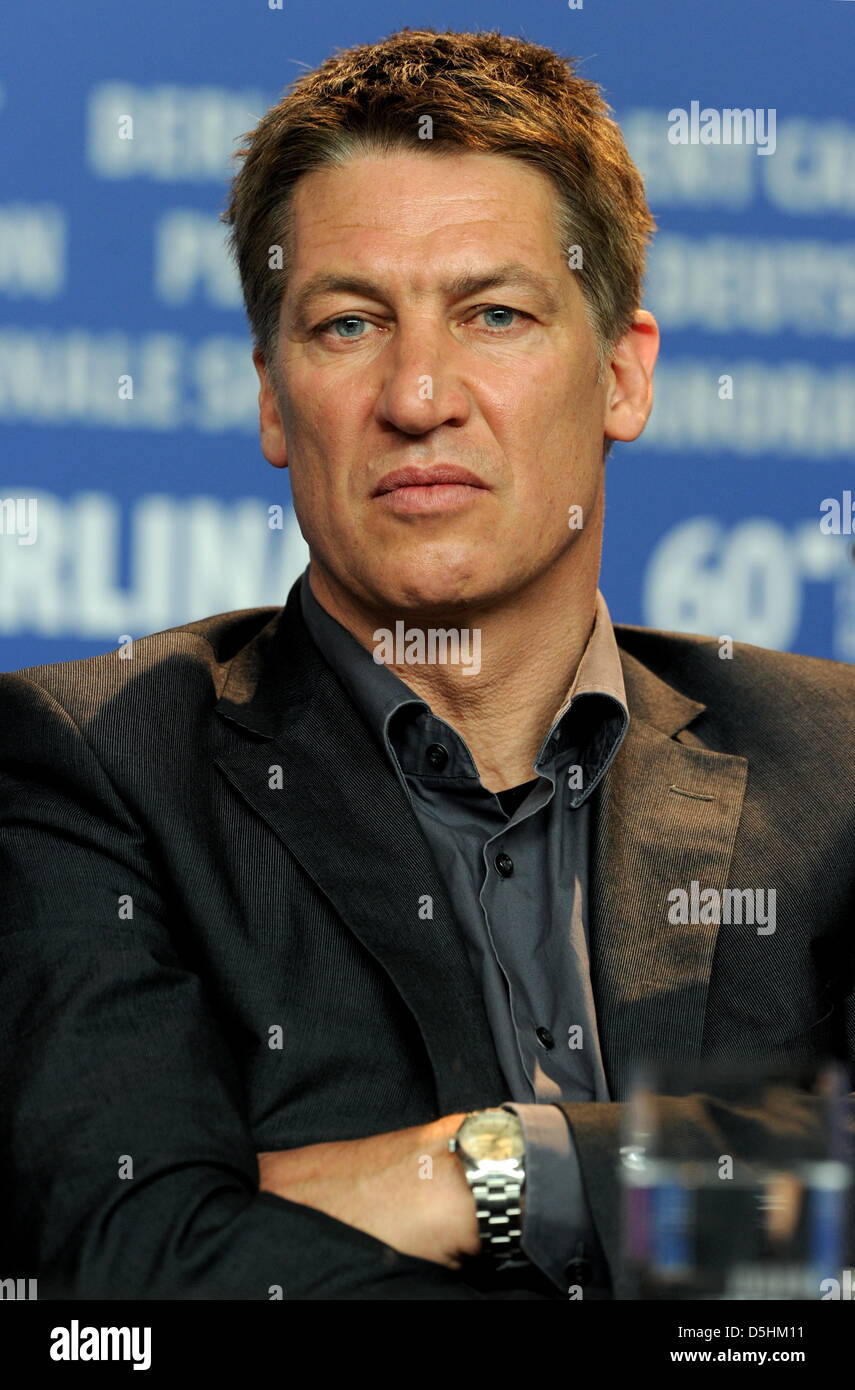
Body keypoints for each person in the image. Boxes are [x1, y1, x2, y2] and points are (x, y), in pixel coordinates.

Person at [1, 27, 852, 1302]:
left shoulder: (832, 760)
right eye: (349, 324)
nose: (418, 394)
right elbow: (133, 1278)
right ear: (274, 401)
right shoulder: (99, 767)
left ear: (624, 374)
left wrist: (489, 1172)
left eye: (494, 314)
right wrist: (739, 1219)